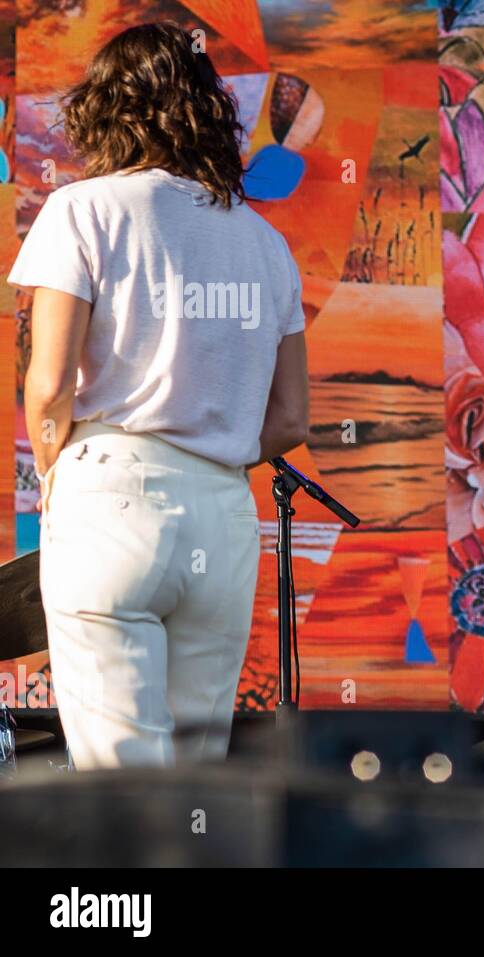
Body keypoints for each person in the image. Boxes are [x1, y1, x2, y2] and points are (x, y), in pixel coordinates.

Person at [7, 22, 310, 769]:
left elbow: (47, 387)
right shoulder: (266, 245)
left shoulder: (83, 211)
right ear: (208, 111)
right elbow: (292, 418)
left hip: (109, 492)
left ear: (106, 110)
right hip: (223, 514)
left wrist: (59, 471)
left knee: (121, 790)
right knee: (195, 790)